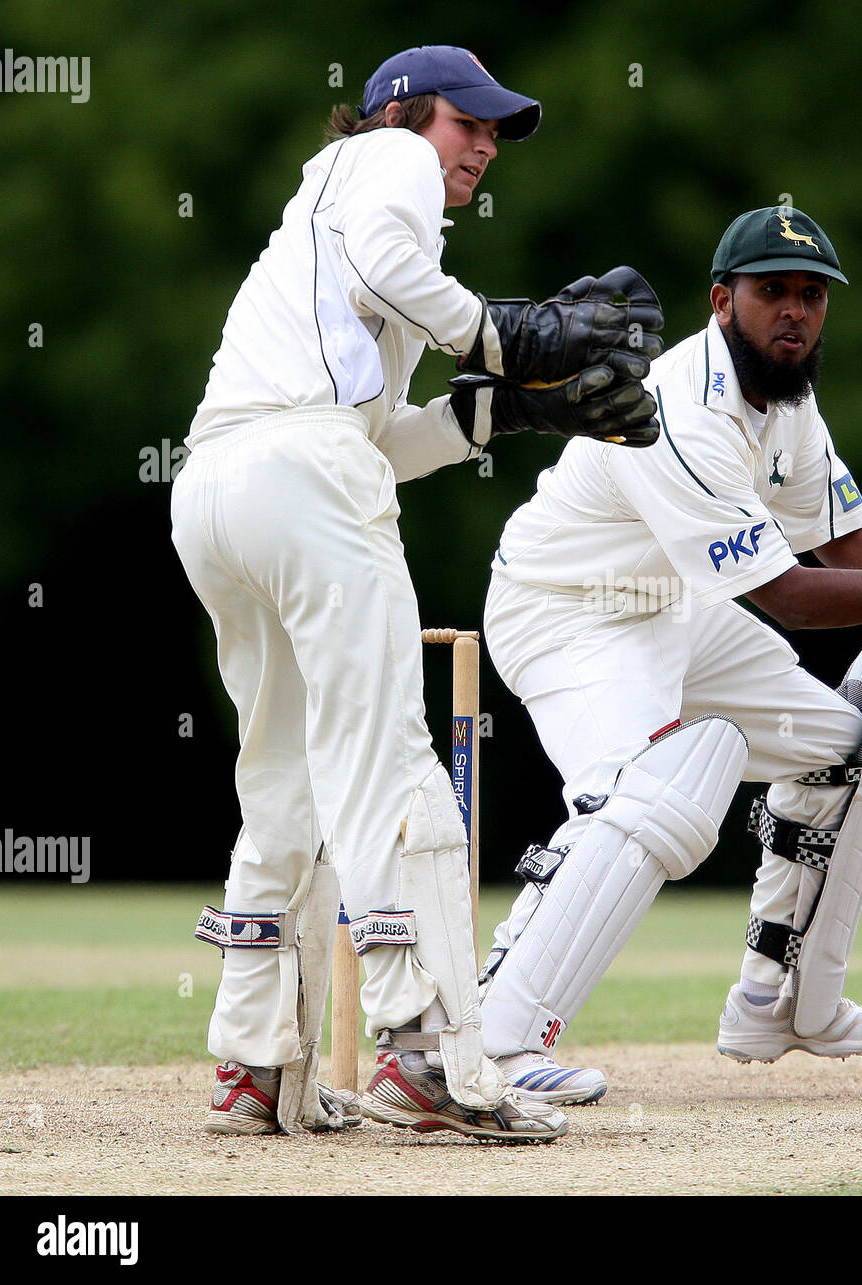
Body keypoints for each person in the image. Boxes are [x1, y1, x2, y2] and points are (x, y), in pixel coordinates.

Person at [172, 45, 663, 1142]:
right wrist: (509, 336)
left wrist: (503, 409)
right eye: (467, 124)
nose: (483, 148)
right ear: (400, 114)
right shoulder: (385, 161)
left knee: (282, 772)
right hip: (300, 479)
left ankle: (256, 1063)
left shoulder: (323, 218)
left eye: (493, 134)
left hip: (215, 492)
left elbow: (368, 436)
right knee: (391, 755)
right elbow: (393, 280)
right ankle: (429, 1053)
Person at [474, 207, 862, 1106]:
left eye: (812, 295)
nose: (795, 311)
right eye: (772, 292)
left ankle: (778, 1002)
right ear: (723, 300)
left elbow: (847, 539)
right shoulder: (678, 409)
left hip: (673, 605)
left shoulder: (788, 401)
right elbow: (786, 595)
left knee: (860, 746)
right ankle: (495, 1037)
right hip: (566, 611)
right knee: (649, 794)